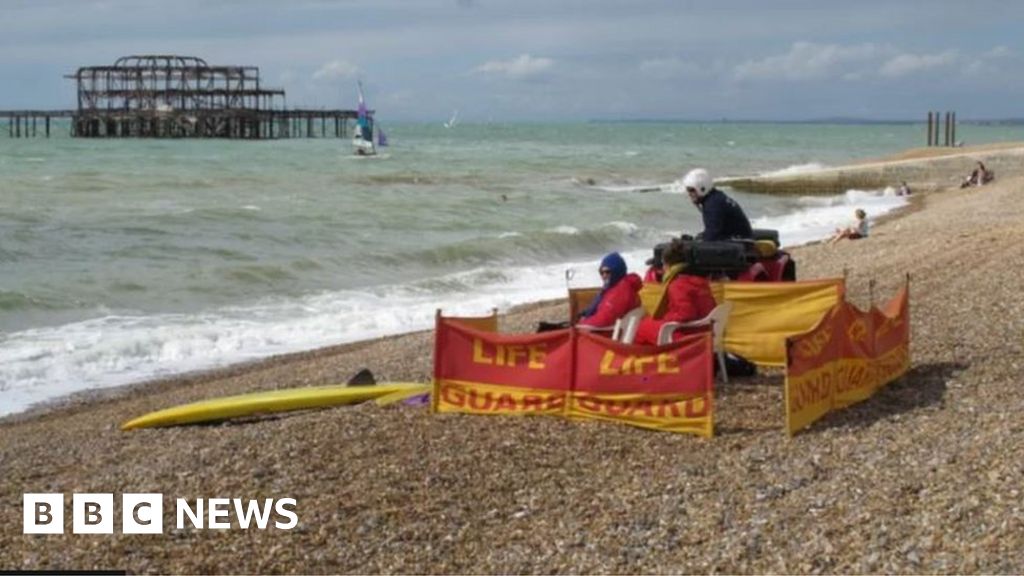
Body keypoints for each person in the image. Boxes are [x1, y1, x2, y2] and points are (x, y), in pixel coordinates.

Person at [634, 238, 717, 345]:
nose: (663, 268)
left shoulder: (678, 285)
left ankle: (641, 354)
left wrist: (666, 318)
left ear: (669, 265)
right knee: (649, 324)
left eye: (663, 264)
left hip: (688, 335)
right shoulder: (700, 280)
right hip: (705, 331)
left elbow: (686, 313)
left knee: (642, 327)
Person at [682, 168, 753, 242]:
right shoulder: (716, 197)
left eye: (691, 190)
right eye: (688, 190)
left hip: (740, 242)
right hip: (739, 237)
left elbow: (711, 237)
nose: (689, 194)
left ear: (702, 188)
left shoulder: (712, 205)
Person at [577, 252, 643, 329]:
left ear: (617, 270)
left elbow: (603, 320)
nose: (604, 276)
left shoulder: (620, 291)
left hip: (606, 332)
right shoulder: (619, 286)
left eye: (607, 272)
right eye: (601, 272)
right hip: (614, 328)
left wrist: (581, 324)